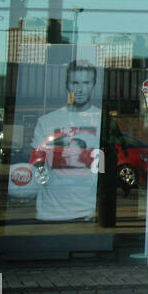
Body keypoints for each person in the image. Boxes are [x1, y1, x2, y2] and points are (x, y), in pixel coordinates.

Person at [30, 60, 102, 222]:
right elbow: (37, 162)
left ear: (93, 85)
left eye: (86, 82)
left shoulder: (102, 121)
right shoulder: (46, 121)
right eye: (75, 82)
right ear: (66, 84)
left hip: (89, 212)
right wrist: (44, 182)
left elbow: (104, 168)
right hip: (50, 212)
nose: (80, 88)